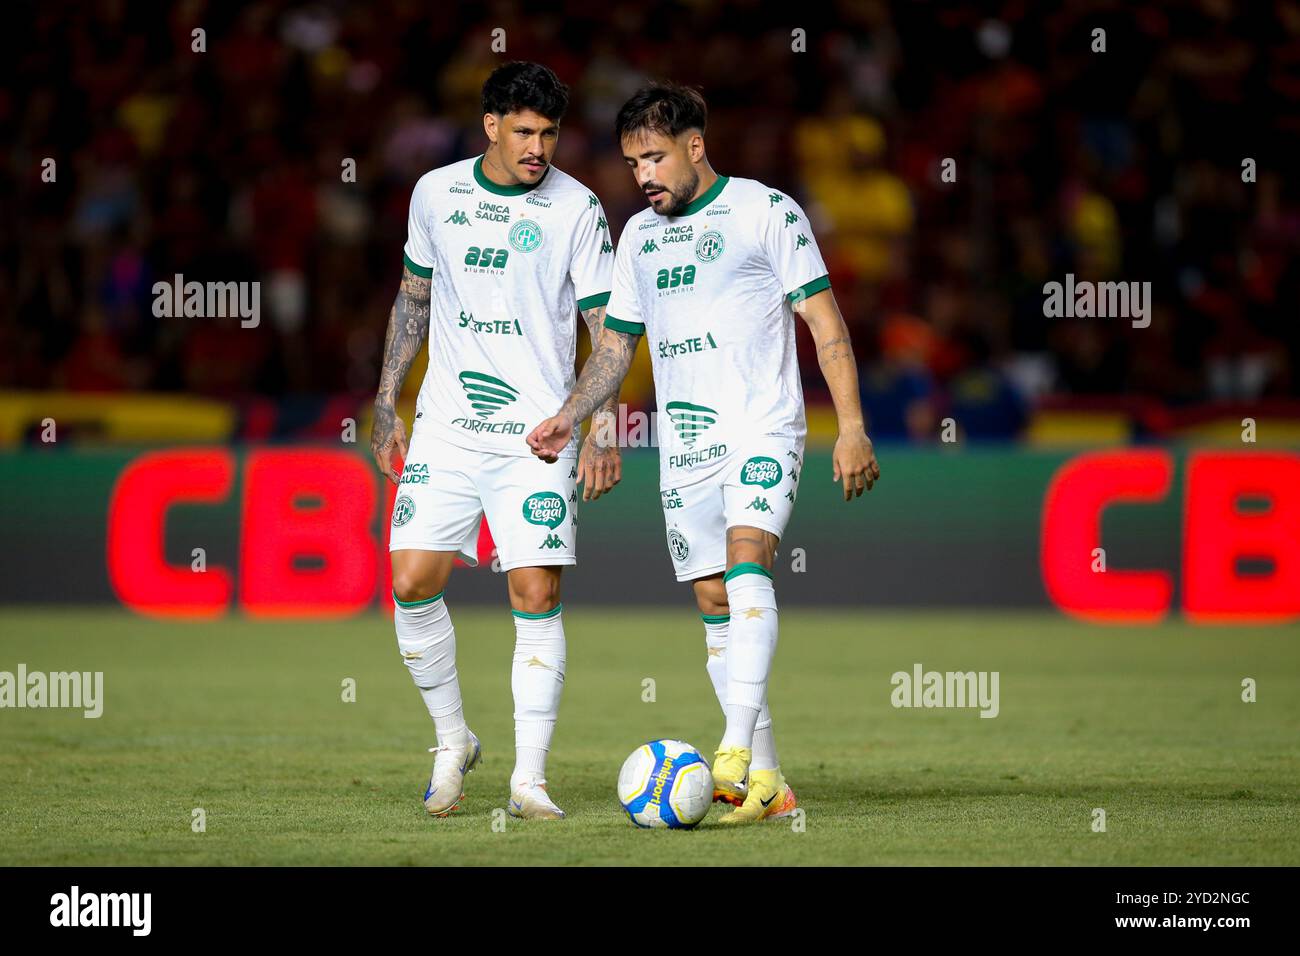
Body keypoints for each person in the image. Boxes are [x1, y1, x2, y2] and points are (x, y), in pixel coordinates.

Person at [527, 84, 879, 824]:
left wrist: (850, 426)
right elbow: (616, 347)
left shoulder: (766, 212)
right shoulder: (639, 239)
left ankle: (731, 749)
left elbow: (824, 319)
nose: (643, 174)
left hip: (763, 428)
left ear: (695, 145)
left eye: (654, 156)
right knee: (714, 599)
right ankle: (772, 787)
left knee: (748, 559)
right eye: (631, 162)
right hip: (684, 449)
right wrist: (584, 421)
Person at [370, 61, 619, 821]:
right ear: (489, 127)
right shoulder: (435, 194)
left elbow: (606, 326)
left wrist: (599, 422)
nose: (537, 147)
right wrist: (386, 403)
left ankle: (529, 779)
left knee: (535, 591)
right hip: (446, 424)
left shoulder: (577, 207)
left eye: (548, 134)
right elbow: (413, 296)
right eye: (523, 132)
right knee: (410, 581)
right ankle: (454, 740)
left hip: (539, 432)